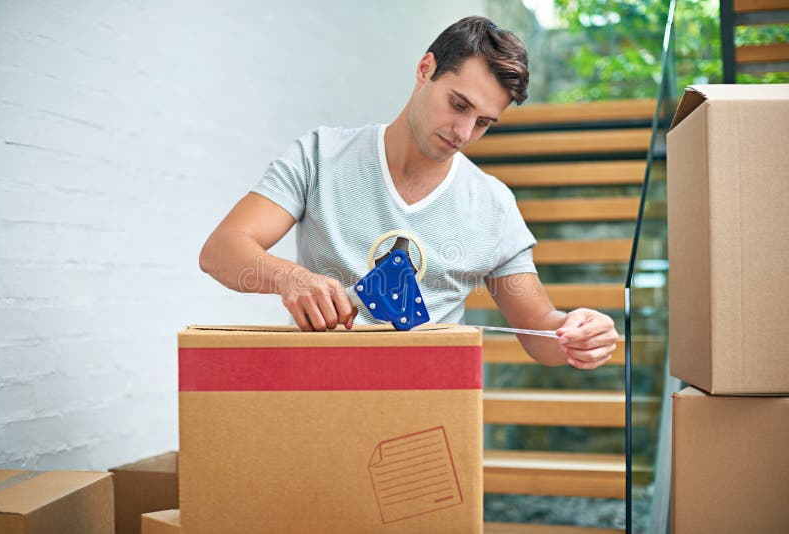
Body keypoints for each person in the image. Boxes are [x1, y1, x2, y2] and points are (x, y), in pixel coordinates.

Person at [199, 16, 618, 370]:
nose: (464, 133)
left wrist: (577, 333)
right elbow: (221, 250)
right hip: (318, 392)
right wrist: (291, 278)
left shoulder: (494, 206)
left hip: (430, 409)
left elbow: (541, 331)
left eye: (483, 123)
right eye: (458, 105)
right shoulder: (320, 156)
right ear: (425, 69)